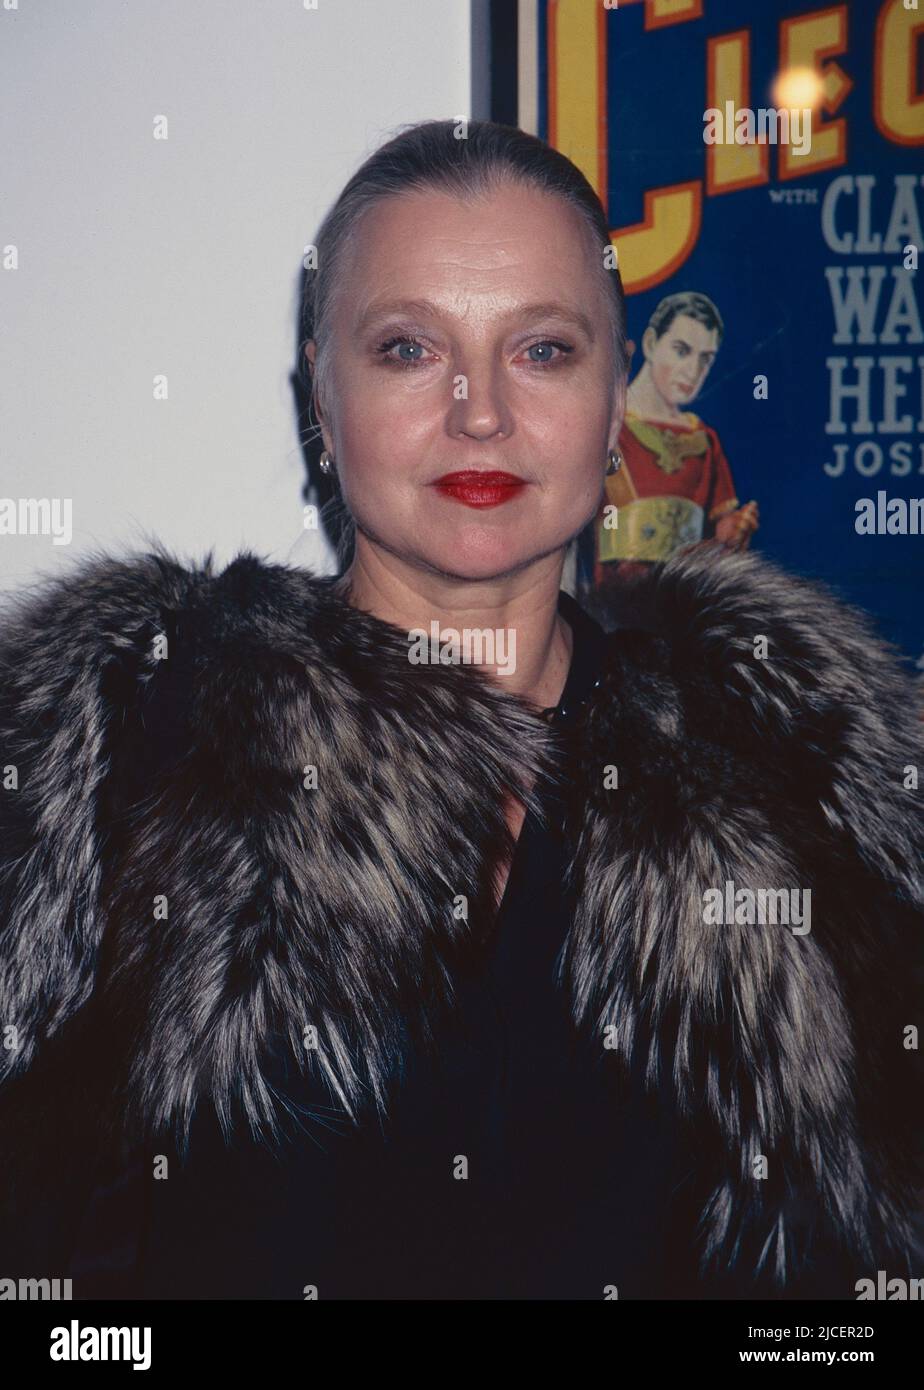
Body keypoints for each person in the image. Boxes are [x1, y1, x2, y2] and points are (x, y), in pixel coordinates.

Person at [0, 119, 921, 1302]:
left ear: (610, 401)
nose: (480, 412)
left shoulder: (789, 752)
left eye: (541, 350)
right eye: (405, 349)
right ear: (319, 404)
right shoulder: (134, 730)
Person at [585, 291, 759, 595]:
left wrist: (730, 533)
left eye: (705, 360)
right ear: (651, 343)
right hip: (604, 611)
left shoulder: (704, 440)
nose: (693, 372)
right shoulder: (599, 424)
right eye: (681, 350)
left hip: (680, 610)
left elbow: (715, 544)